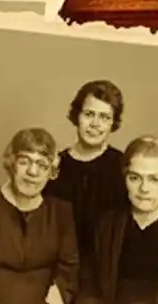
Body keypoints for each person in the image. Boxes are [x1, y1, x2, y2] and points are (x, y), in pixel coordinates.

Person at [79, 136, 158, 304]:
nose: (144, 189)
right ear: (124, 178)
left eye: (153, 179)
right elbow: (88, 292)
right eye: (135, 178)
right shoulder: (107, 225)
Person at [0, 127, 78, 304]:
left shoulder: (61, 212)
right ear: (11, 162)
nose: (32, 172)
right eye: (24, 161)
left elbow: (69, 271)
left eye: (42, 165)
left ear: (51, 172)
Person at [45, 80, 129, 271]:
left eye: (104, 117)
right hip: (59, 271)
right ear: (77, 116)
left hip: (107, 273)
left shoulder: (124, 167)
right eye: (89, 114)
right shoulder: (54, 165)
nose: (95, 124)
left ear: (113, 123)